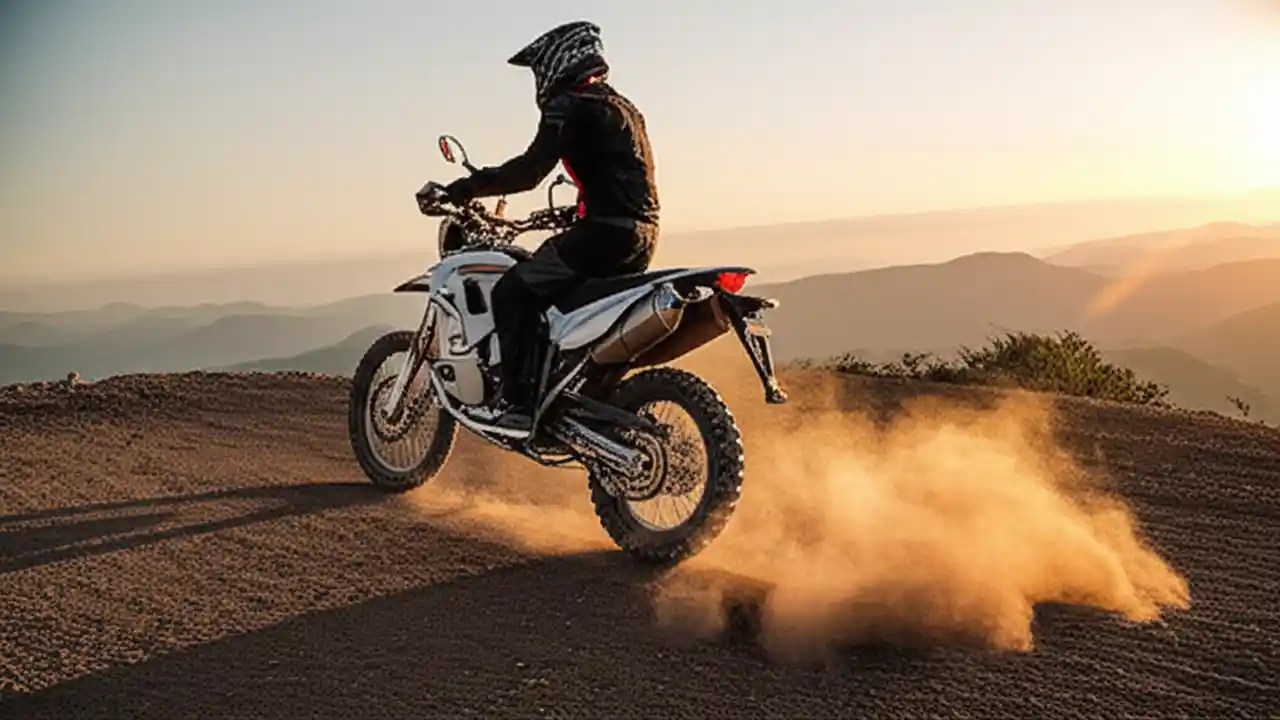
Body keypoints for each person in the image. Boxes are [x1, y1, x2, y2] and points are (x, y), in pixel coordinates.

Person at [420, 20, 660, 430]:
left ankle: (517, 406)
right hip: (640, 235)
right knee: (564, 304)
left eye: (538, 67)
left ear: (558, 60)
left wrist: (464, 188)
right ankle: (569, 397)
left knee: (514, 292)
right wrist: (572, 214)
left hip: (604, 235)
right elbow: (621, 177)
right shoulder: (623, 107)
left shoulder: (569, 106)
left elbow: (529, 171)